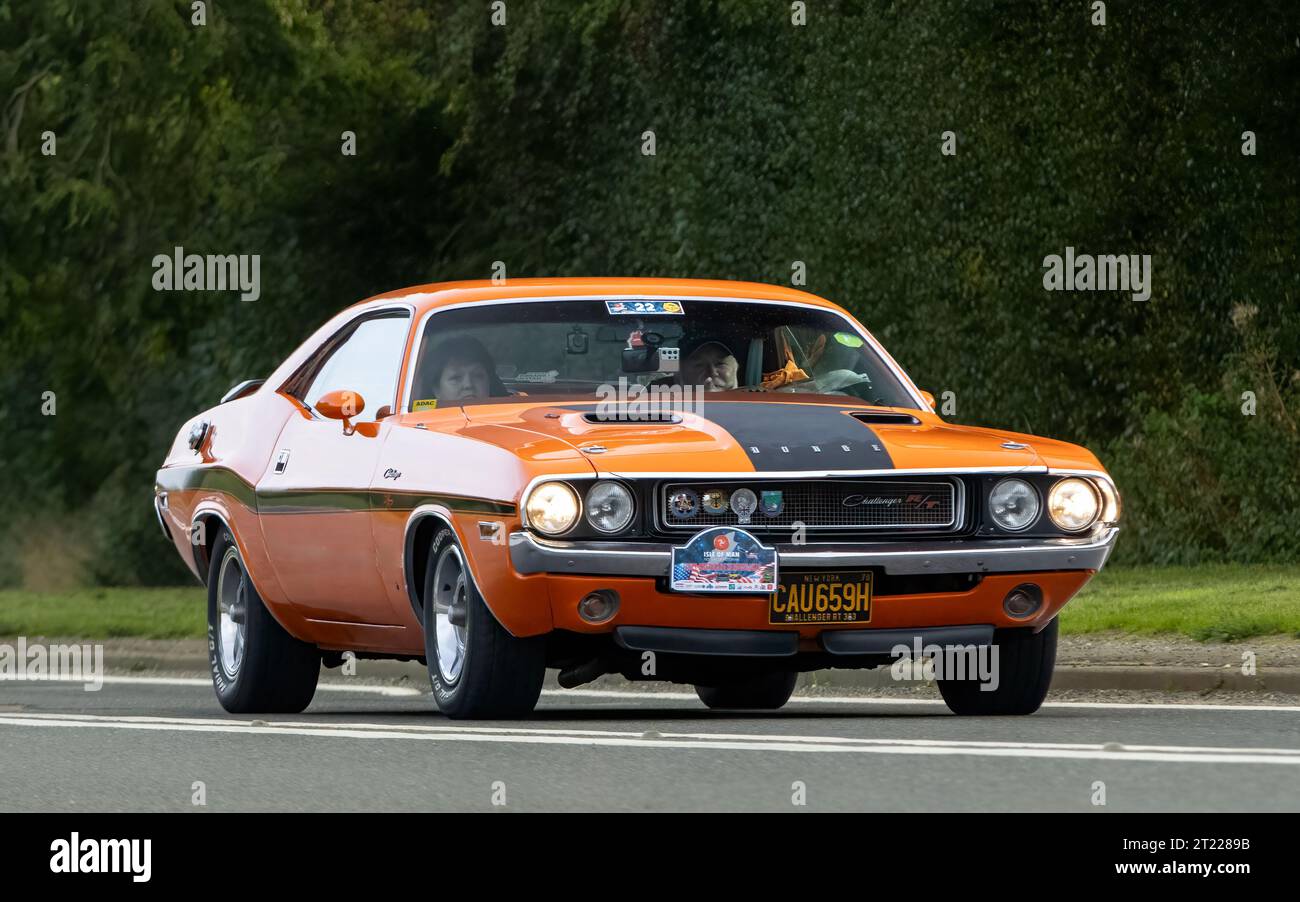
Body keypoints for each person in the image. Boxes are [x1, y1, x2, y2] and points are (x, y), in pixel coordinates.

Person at [416, 336, 508, 403]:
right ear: (436, 390)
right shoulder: (417, 428)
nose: (468, 385)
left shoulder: (511, 416)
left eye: (477, 376)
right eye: (456, 378)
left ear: (489, 382)